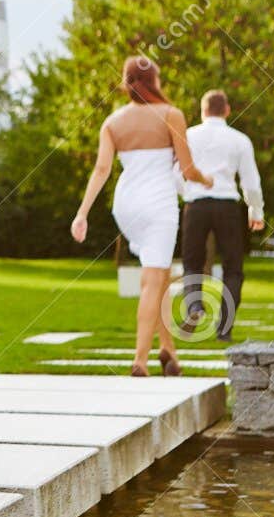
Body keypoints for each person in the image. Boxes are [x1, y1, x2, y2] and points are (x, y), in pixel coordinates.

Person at [71, 56, 211, 377]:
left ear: (125, 82)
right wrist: (208, 180)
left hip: (127, 205)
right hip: (158, 206)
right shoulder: (171, 114)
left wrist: (82, 214)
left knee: (159, 276)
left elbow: (102, 169)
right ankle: (139, 360)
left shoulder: (113, 122)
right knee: (152, 279)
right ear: (155, 81)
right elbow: (188, 170)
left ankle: (169, 352)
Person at [180, 89, 264, 343]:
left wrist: (187, 193)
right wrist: (255, 209)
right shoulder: (239, 140)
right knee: (233, 268)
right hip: (227, 205)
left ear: (202, 110)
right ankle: (224, 329)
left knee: (192, 262)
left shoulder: (187, 136)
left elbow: (177, 171)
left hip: (196, 204)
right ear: (227, 110)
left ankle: (194, 306)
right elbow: (250, 181)